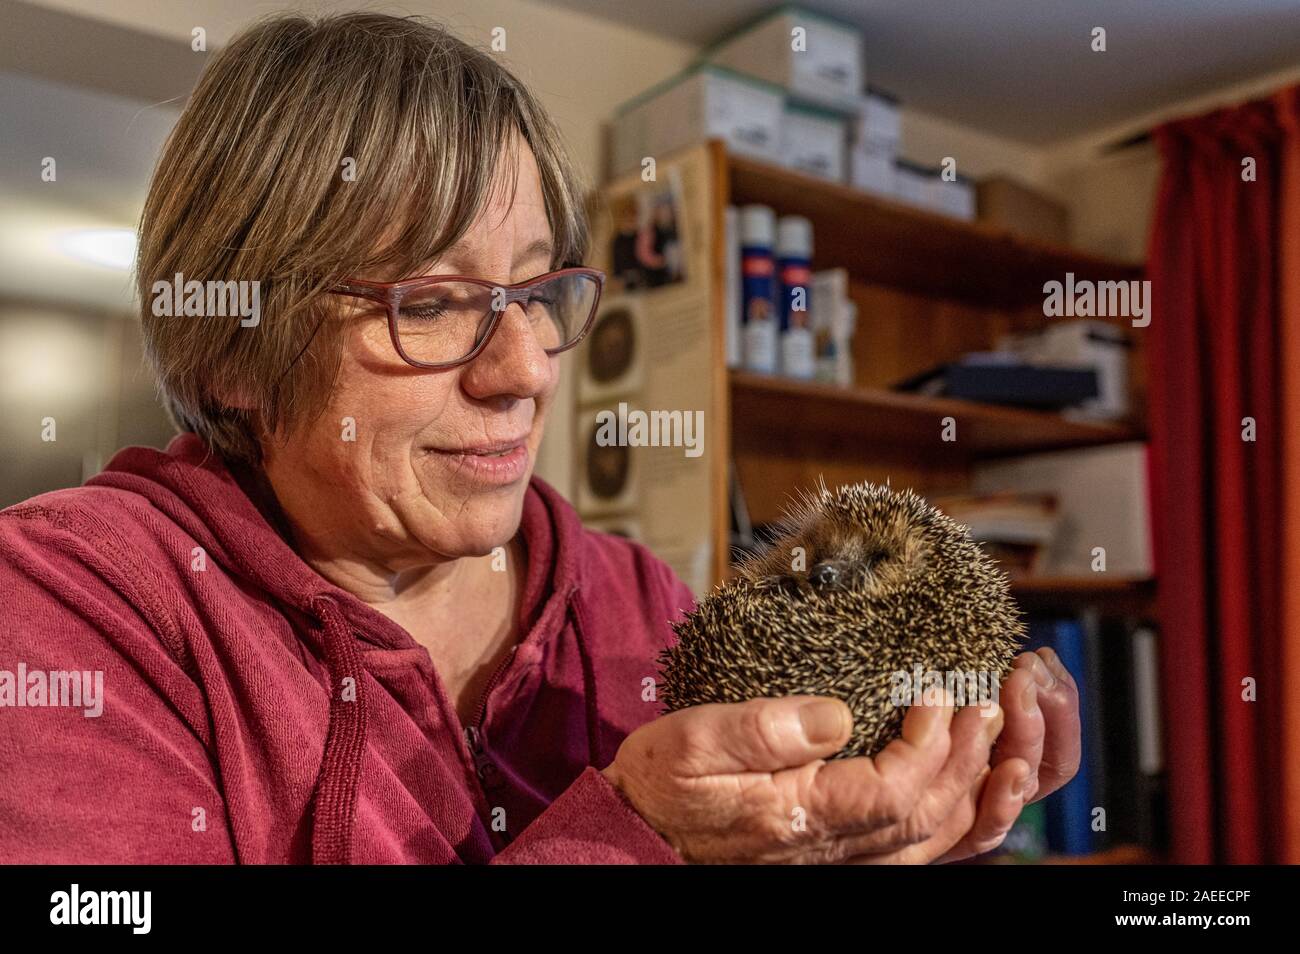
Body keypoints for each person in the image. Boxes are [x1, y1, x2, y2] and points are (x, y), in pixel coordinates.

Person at [0, 12, 1079, 864]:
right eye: (426, 304)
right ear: (234, 349)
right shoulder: (67, 607)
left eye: (538, 292)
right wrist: (639, 839)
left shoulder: (639, 601)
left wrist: (892, 827)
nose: (524, 372)